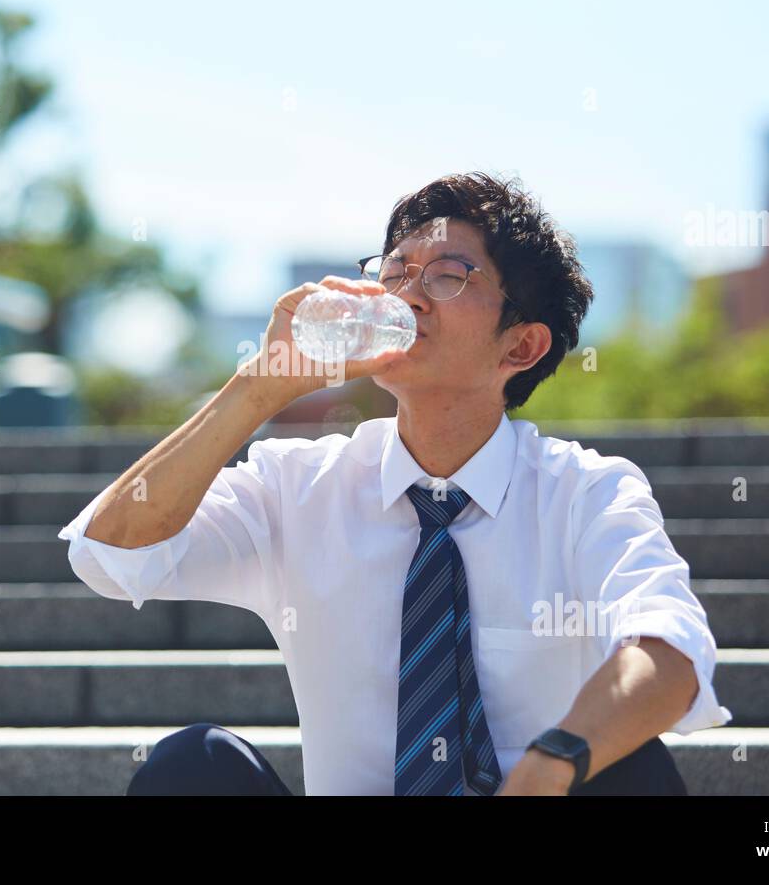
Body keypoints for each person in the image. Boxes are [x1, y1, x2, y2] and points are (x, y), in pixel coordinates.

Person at [59, 171, 732, 795]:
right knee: (193, 765)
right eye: (396, 272)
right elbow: (109, 554)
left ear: (521, 346)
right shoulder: (300, 487)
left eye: (447, 276)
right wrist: (256, 389)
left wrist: (551, 761)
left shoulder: (587, 495)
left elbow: (669, 656)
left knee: (632, 769)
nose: (408, 295)